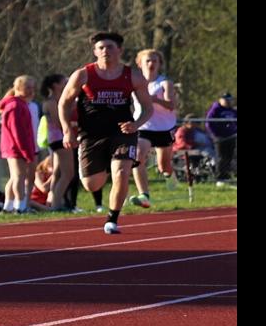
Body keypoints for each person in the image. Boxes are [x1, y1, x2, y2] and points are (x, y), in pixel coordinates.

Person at [58, 31, 153, 235]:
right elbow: (64, 103)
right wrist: (67, 131)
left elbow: (147, 107)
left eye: (110, 47)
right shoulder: (83, 74)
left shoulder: (133, 76)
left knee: (121, 172)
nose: (105, 51)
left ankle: (112, 219)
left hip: (122, 131)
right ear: (94, 51)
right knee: (92, 184)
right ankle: (110, 164)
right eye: (101, 48)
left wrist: (136, 124)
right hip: (91, 134)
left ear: (119, 50)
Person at [130, 49, 180, 207]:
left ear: (159, 64)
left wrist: (153, 100)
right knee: (137, 156)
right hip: (143, 125)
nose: (151, 64)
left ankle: (170, 174)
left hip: (164, 127)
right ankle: (144, 195)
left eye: (155, 61)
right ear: (140, 64)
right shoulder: (135, 82)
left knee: (163, 165)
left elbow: (171, 105)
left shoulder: (165, 83)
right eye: (148, 61)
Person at [0, 76, 41, 213]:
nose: (31, 91)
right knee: (20, 176)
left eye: (33, 88)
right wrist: (26, 152)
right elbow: (17, 132)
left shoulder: (21, 104)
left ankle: (8, 206)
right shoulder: (15, 106)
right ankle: (20, 206)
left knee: (15, 177)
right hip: (15, 148)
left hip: (17, 147)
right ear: (18, 88)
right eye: (28, 88)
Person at [33, 73, 73, 210]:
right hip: (58, 139)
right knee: (68, 173)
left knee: (57, 172)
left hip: (58, 138)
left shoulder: (59, 99)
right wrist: (73, 127)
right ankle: (56, 203)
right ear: (55, 85)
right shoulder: (50, 102)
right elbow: (59, 122)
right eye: (64, 82)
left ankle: (52, 201)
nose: (66, 83)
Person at [205, 93, 238, 184]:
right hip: (220, 138)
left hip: (231, 137)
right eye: (226, 100)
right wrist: (215, 134)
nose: (228, 101)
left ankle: (226, 176)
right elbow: (209, 123)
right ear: (220, 99)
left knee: (229, 157)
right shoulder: (215, 109)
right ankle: (220, 178)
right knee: (221, 157)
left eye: (230, 100)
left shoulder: (232, 111)